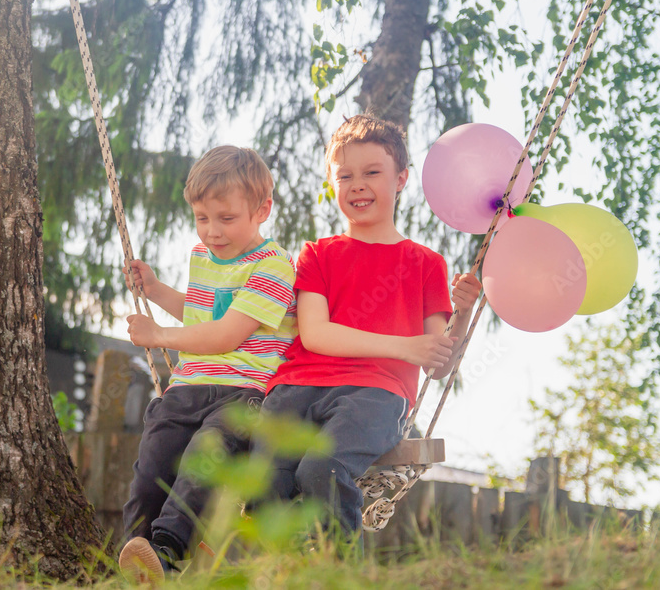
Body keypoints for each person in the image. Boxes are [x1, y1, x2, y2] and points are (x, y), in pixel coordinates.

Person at [258, 114, 482, 537]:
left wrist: (464, 311)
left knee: (321, 470)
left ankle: (337, 573)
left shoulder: (425, 264)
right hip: (298, 386)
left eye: (372, 173)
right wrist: (403, 347)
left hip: (376, 395)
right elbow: (317, 334)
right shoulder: (317, 254)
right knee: (266, 480)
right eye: (345, 176)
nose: (357, 184)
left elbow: (437, 363)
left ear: (400, 179)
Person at [117, 145, 297, 582]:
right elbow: (202, 316)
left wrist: (157, 334)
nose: (212, 232)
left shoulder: (274, 266)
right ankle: (134, 563)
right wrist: (157, 290)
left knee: (204, 460)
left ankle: (167, 550)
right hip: (185, 389)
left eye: (226, 218)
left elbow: (225, 334)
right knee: (150, 472)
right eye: (202, 218)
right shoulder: (203, 256)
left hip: (240, 395)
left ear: (262, 210)